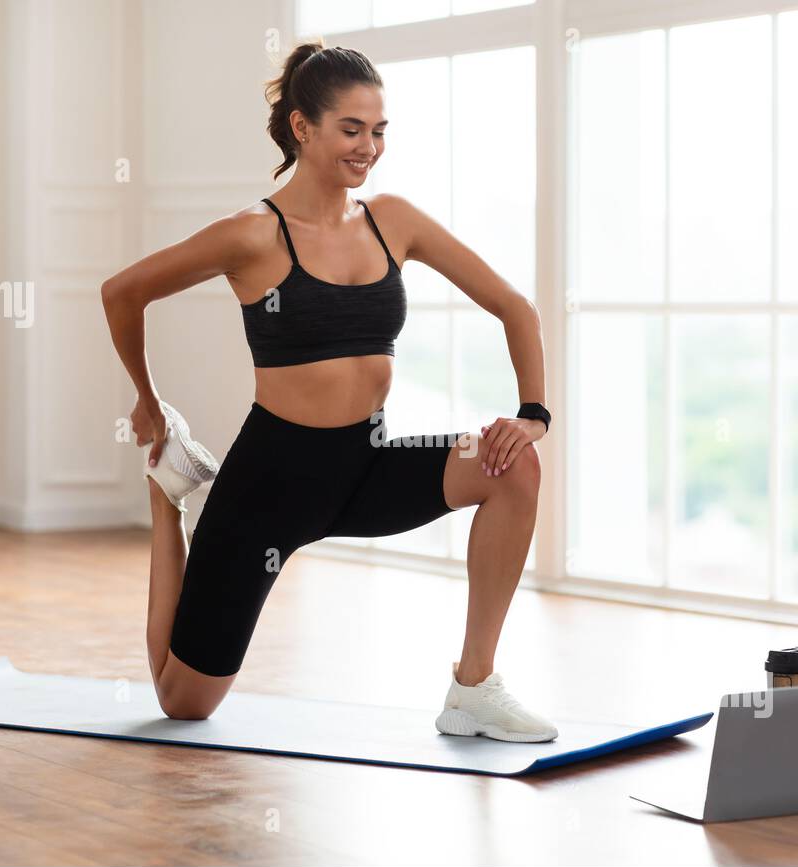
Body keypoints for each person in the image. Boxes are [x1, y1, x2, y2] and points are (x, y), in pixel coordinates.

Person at [101, 42, 556, 742]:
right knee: (184, 704)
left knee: (514, 466)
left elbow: (514, 307)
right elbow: (123, 291)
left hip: (366, 464)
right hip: (269, 485)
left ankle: (473, 686)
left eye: (378, 131)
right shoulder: (250, 235)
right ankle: (168, 498)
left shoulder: (392, 221)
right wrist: (148, 400)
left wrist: (532, 416)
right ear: (301, 128)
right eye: (352, 129)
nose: (368, 147)